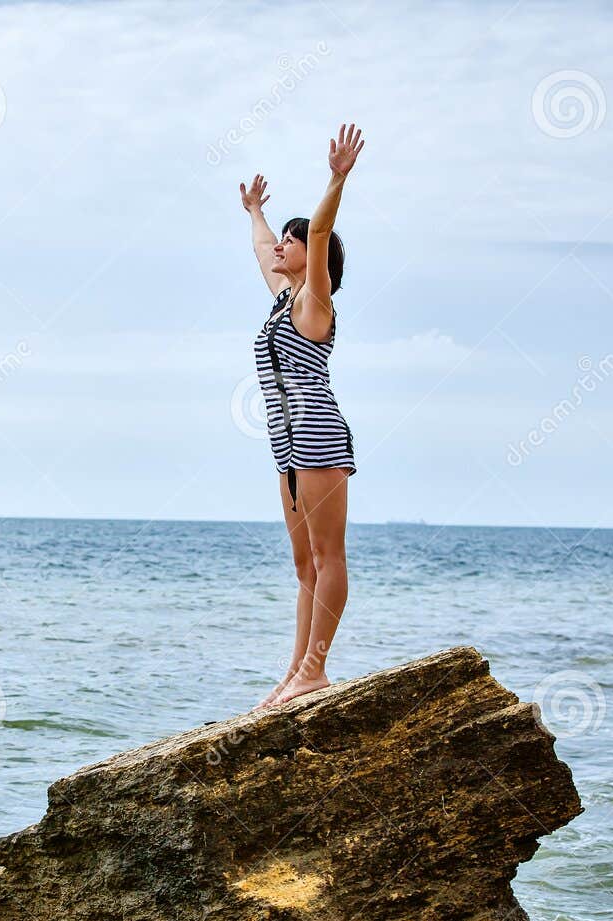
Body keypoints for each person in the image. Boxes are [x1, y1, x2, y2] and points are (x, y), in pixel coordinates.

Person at [241, 124, 365, 707]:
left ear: (313, 257)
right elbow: (264, 251)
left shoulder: (316, 303)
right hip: (285, 449)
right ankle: (296, 671)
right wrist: (255, 213)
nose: (281, 247)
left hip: (318, 438)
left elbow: (317, 230)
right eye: (282, 242)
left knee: (327, 555)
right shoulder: (281, 298)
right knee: (302, 566)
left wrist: (336, 179)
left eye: (291, 241)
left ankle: (316, 668)